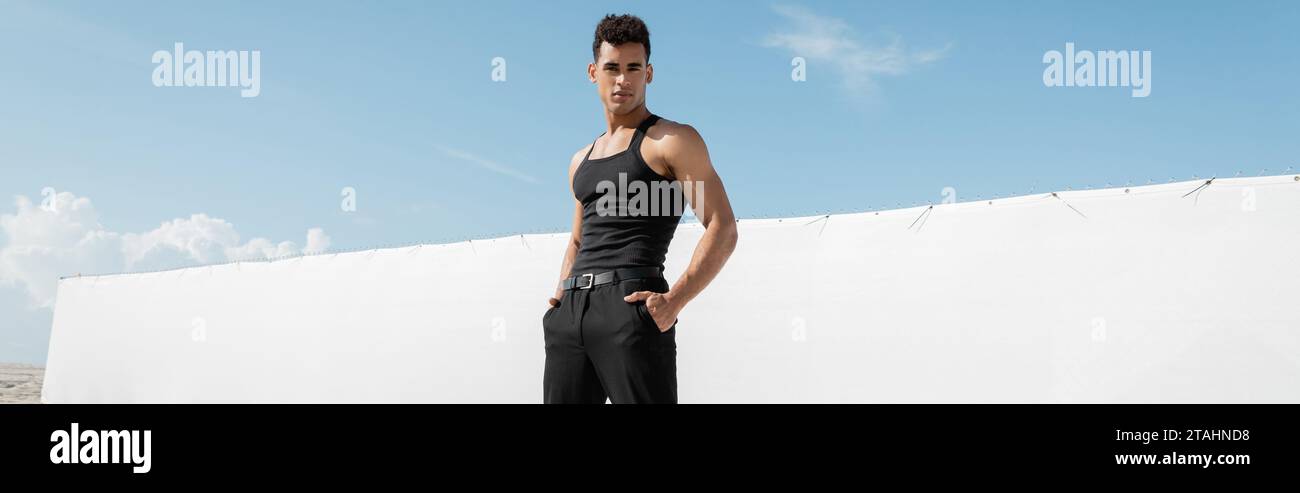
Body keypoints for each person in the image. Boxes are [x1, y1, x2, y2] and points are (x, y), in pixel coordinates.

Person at [542, 14, 738, 404]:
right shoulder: (580, 159)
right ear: (593, 71)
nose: (623, 79)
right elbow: (578, 239)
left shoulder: (671, 141)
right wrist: (562, 295)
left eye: (634, 68)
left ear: (648, 73)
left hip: (631, 307)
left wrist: (674, 301)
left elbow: (722, 226)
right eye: (612, 68)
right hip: (571, 316)